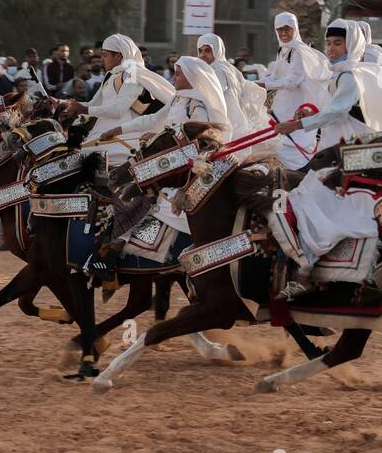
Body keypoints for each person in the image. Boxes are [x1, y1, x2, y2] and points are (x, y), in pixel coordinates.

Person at [269, 20, 382, 279]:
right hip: (351, 149)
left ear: (351, 44)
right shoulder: (358, 72)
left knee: (305, 198)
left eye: (337, 43)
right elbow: (344, 110)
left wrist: (297, 124)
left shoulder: (349, 74)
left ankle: (307, 259)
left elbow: (338, 111)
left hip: (347, 156)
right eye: (328, 43)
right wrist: (310, 113)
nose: (330, 49)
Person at [88, 56, 234, 283]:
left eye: (178, 73)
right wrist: (118, 129)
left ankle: (112, 254)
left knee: (134, 191)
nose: (173, 77)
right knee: (119, 178)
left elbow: (197, 142)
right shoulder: (179, 99)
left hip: (182, 169)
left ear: (192, 77)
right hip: (167, 159)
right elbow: (152, 120)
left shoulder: (198, 107)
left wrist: (160, 139)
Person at [68, 34, 175, 165]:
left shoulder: (132, 73)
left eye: (105, 55)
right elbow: (92, 104)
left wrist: (85, 109)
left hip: (126, 136)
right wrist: (63, 104)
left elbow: (118, 110)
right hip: (102, 131)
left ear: (118, 56)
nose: (102, 59)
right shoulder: (111, 75)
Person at [260, 11, 334, 170]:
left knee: (294, 144)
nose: (284, 33)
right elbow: (274, 77)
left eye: (287, 29)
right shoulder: (283, 50)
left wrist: (264, 85)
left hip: (296, 106)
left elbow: (292, 81)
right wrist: (251, 83)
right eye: (280, 30)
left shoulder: (298, 51)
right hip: (283, 105)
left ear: (295, 29)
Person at [198, 32, 270, 137]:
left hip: (226, 123)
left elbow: (213, 97)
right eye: (200, 51)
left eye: (208, 50)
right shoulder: (222, 67)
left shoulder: (218, 70)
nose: (203, 55)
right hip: (229, 122)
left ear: (217, 50)